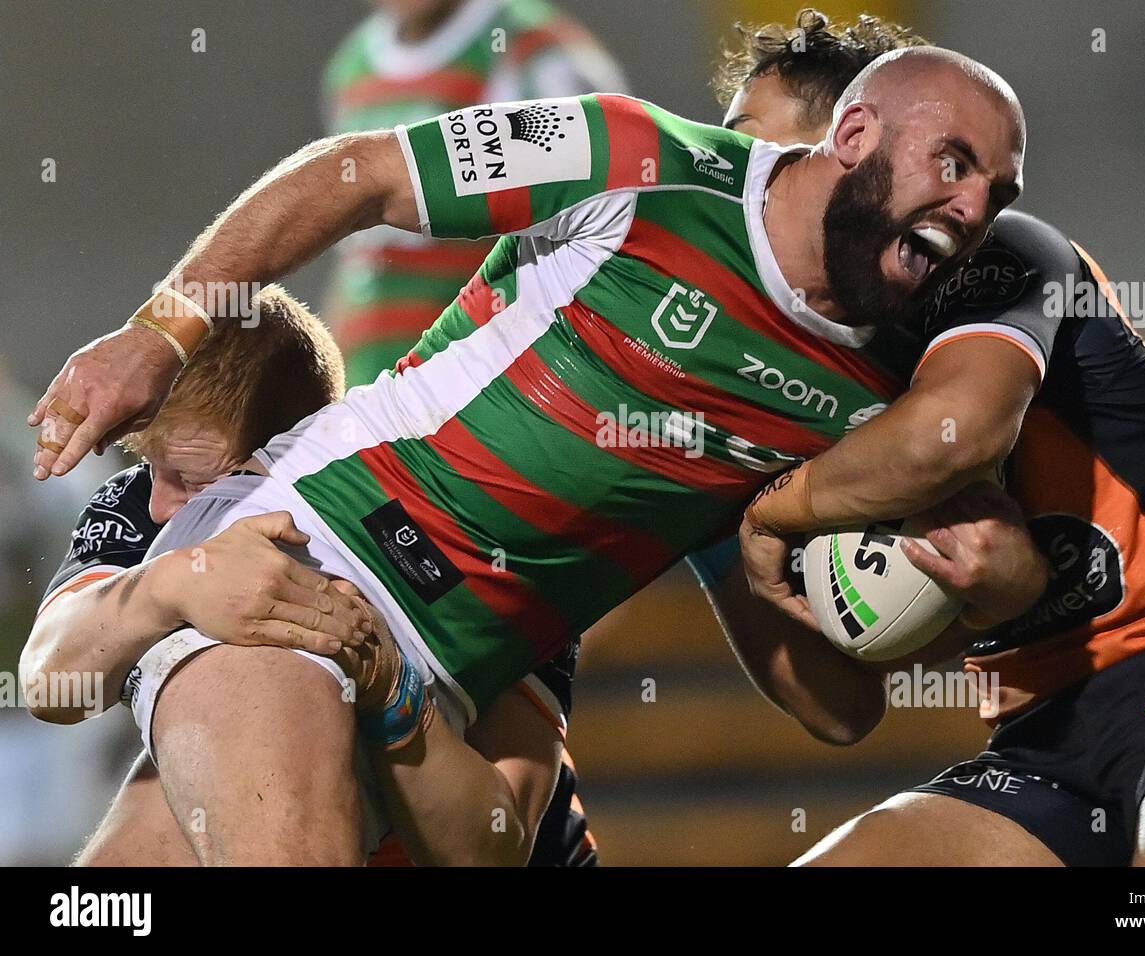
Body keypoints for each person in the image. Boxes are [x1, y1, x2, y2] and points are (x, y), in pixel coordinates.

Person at [29, 47, 1034, 862]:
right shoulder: (633, 153)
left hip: (439, 690)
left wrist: (956, 583)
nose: (975, 204)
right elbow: (365, 171)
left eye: (997, 188)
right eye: (952, 161)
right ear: (851, 134)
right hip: (310, 548)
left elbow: (839, 704)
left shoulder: (873, 410)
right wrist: (159, 335)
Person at [704, 8, 1145, 867]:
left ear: (855, 142)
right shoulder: (780, 381)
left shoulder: (1002, 262)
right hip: (1039, 732)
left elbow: (952, 440)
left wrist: (767, 512)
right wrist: (706, 517)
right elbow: (840, 708)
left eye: (757, 150)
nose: (734, 180)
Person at [22, 286, 595, 865]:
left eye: (196, 482)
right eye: (153, 465)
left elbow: (493, 848)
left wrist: (393, 694)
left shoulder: (483, 542)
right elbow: (50, 681)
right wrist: (174, 583)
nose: (164, 509)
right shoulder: (140, 502)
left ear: (295, 456)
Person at [323, 0, 627, 384]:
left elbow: (593, 220)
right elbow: (360, 256)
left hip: (485, 377)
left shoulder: (530, 51)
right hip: (374, 377)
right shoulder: (352, 69)